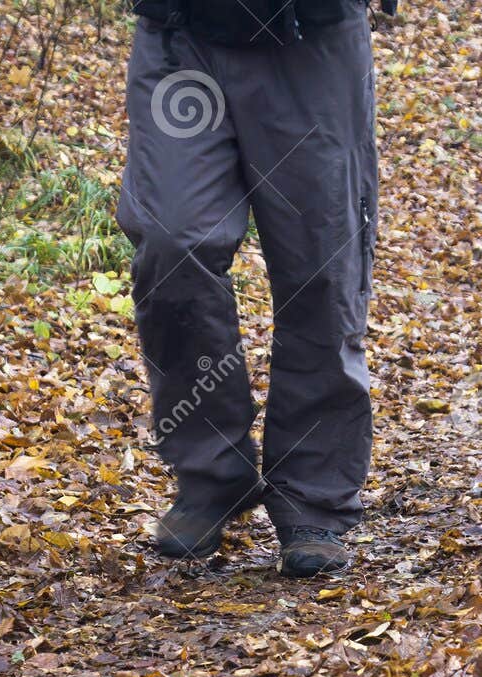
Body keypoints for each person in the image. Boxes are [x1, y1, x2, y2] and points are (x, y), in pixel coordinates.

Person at [117, 0, 380, 577]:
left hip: (312, 42)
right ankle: (213, 473)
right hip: (181, 37)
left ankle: (312, 497)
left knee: (321, 268)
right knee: (171, 242)